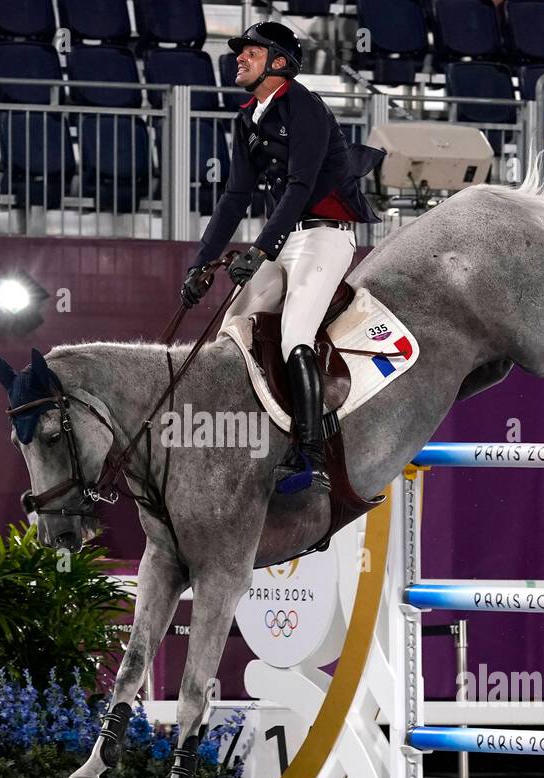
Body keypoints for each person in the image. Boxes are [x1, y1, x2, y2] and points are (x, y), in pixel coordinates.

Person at [180, 21, 384, 496]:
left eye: (249, 52)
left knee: (295, 333)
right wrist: (199, 264)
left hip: (325, 238)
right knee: (235, 325)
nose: (239, 59)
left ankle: (309, 453)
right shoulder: (248, 116)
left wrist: (259, 250)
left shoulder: (304, 106)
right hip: (285, 239)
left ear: (278, 62)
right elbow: (234, 197)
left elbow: (299, 186)